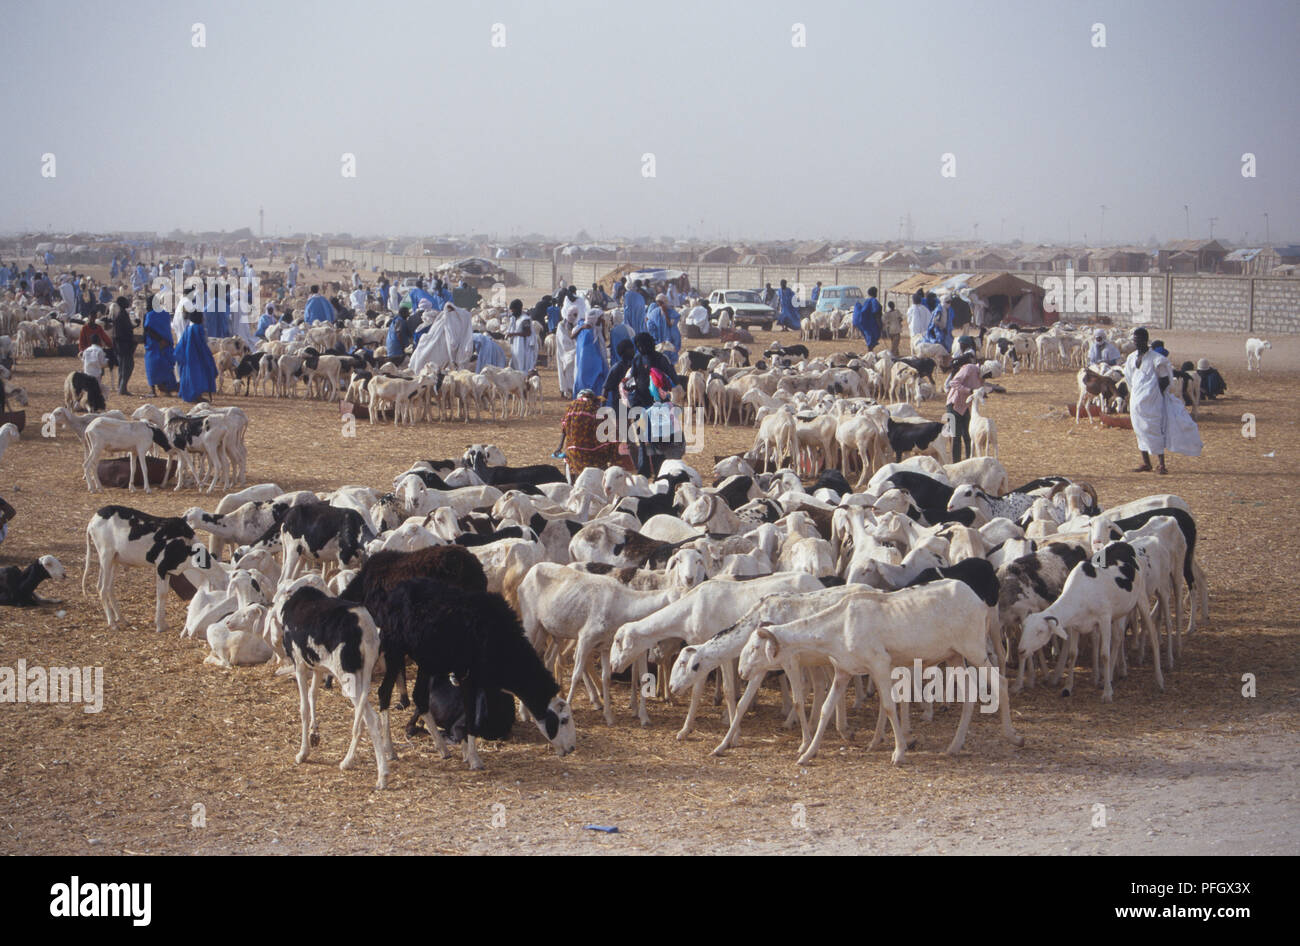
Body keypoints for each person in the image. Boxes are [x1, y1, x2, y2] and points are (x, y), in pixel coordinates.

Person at [1123, 326, 1195, 475]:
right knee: (1139, 430)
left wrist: (1153, 395)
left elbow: (1164, 380)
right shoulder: (1131, 358)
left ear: (1146, 340)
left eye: (1139, 340)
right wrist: (1136, 394)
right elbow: (1130, 379)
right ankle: (1146, 463)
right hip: (1136, 401)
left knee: (1154, 429)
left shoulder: (1157, 360)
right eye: (1134, 340)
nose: (1136, 343)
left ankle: (1161, 464)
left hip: (1153, 402)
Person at [625, 332, 682, 477]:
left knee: (659, 440)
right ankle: (644, 471)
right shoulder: (637, 359)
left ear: (650, 344)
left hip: (658, 406)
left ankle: (660, 472)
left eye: (643, 344)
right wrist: (631, 392)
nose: (641, 347)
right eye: (638, 345)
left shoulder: (661, 359)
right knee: (644, 439)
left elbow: (674, 379)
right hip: (640, 404)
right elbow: (632, 378)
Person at [553, 389, 624, 476]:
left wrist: (559, 447)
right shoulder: (594, 409)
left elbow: (564, 429)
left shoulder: (570, 408)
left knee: (570, 464)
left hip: (574, 456)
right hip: (592, 458)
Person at [944, 351, 983, 463]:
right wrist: (968, 391)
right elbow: (953, 383)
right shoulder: (969, 368)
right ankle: (956, 462)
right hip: (953, 404)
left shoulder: (980, 378)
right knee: (954, 436)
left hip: (965, 407)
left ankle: (968, 461)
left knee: (968, 436)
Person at [175, 310, 218, 403]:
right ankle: (196, 396)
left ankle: (192, 395)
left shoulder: (188, 328)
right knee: (199, 375)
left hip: (188, 358)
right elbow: (201, 345)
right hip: (196, 358)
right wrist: (207, 356)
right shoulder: (197, 329)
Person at [143, 295, 178, 396]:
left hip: (153, 345)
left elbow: (148, 330)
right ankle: (166, 388)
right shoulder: (165, 314)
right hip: (166, 344)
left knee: (152, 367)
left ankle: (153, 390)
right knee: (165, 366)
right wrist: (164, 340)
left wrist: (159, 340)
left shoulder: (150, 315)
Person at [572, 308, 609, 396]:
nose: (602, 319)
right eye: (600, 317)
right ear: (594, 318)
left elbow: (604, 339)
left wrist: (603, 327)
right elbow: (587, 354)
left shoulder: (597, 328)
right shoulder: (587, 333)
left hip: (598, 361)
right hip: (590, 364)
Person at [111, 301, 136, 396]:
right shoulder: (122, 316)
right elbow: (121, 333)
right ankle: (122, 388)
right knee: (127, 367)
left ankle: (121, 387)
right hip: (124, 346)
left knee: (122, 368)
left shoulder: (121, 316)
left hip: (121, 346)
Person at [506, 298, 537, 372]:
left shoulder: (525, 319)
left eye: (513, 310)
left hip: (524, 346)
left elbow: (528, 333)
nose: (512, 312)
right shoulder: (515, 318)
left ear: (518, 309)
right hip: (516, 345)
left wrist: (513, 334)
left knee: (523, 364)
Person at [853, 286, 883, 350]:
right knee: (873, 336)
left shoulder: (867, 301)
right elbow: (876, 312)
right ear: (875, 293)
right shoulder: (874, 301)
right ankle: (870, 351)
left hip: (864, 322)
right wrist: (879, 324)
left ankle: (870, 351)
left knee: (869, 336)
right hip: (871, 322)